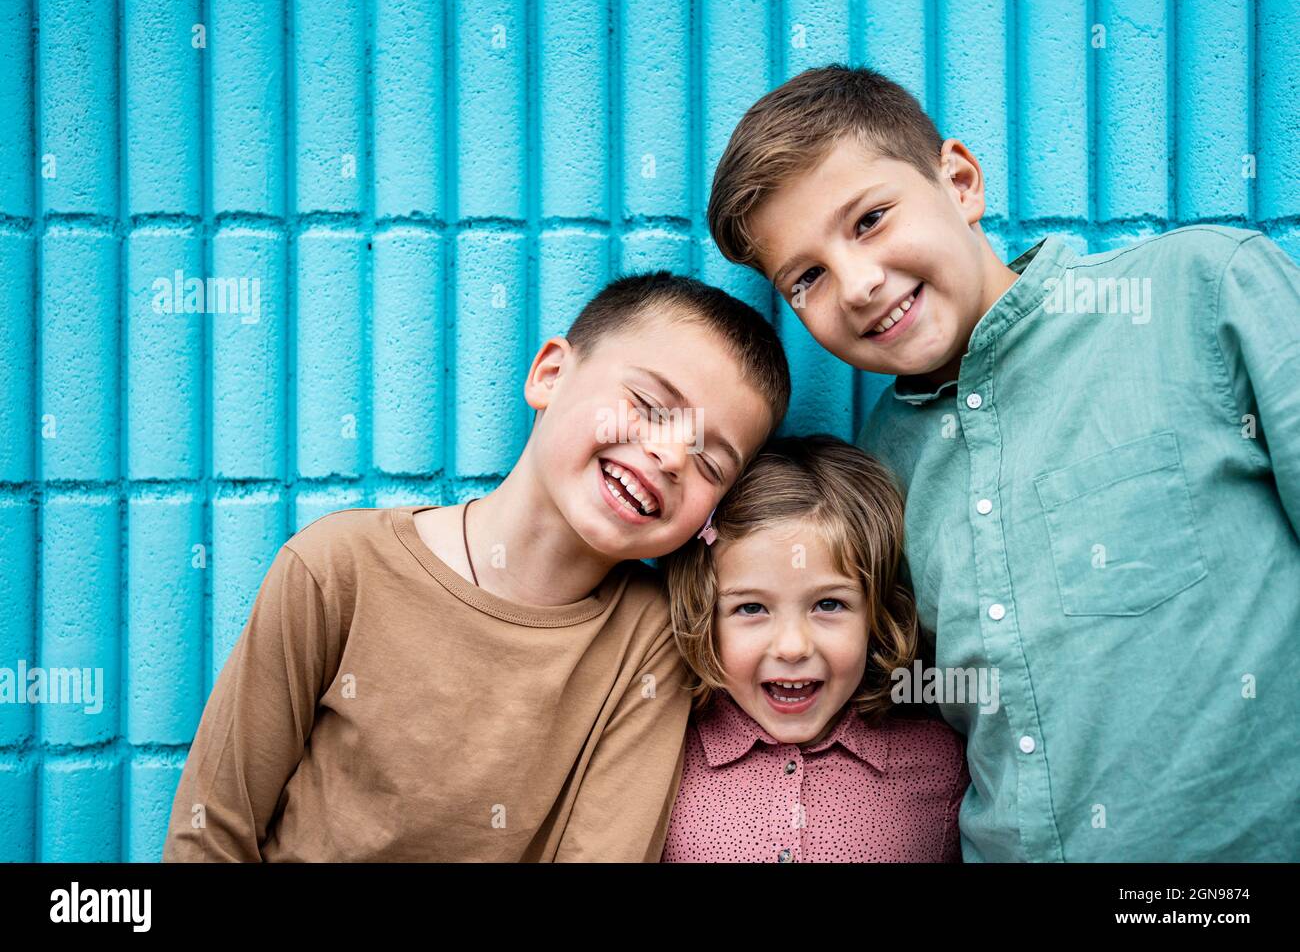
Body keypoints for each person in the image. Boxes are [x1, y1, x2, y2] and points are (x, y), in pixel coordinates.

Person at [705, 63, 1300, 860]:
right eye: (805, 276)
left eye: (871, 219)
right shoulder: (878, 474)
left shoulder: (1202, 290)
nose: (856, 283)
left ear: (959, 181)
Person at [162, 271, 790, 861]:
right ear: (550, 375)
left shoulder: (652, 640)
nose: (670, 455)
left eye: (710, 463)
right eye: (651, 405)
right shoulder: (337, 568)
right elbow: (210, 832)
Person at [660, 435, 968, 862]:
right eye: (751, 607)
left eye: (828, 604)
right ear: (704, 617)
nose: (791, 646)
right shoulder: (662, 753)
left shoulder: (941, 765)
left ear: (877, 614)